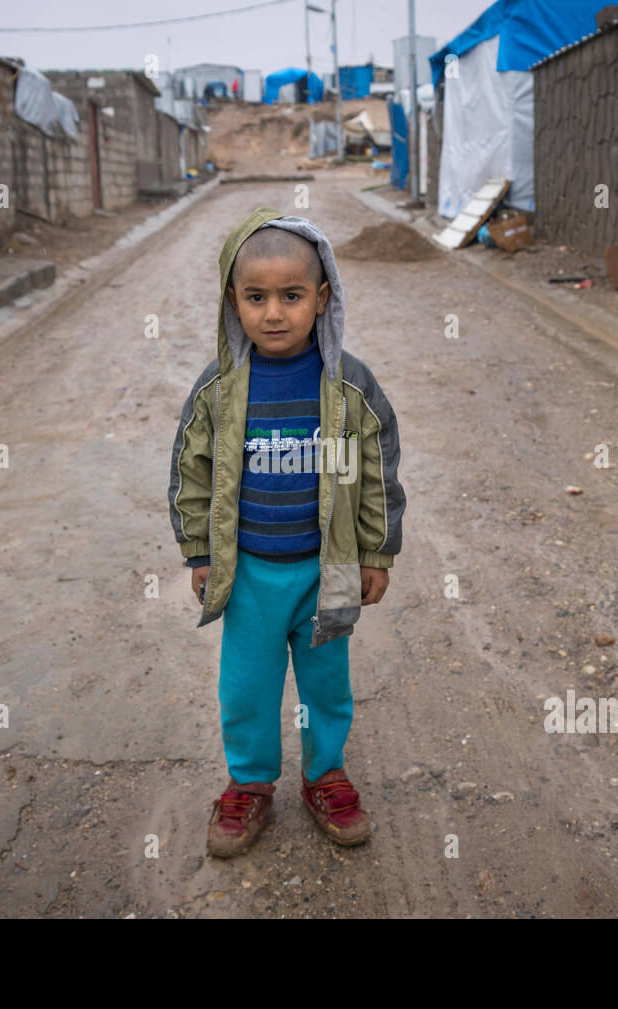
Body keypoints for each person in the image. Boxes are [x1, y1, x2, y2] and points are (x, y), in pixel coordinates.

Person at [168, 207, 405, 857]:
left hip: (326, 571)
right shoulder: (220, 390)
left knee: (327, 680)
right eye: (256, 297)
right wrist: (199, 550)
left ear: (322, 297)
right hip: (249, 575)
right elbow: (192, 472)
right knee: (246, 684)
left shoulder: (345, 386)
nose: (274, 312)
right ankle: (250, 782)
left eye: (292, 296)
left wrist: (375, 551)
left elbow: (377, 470)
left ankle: (324, 772)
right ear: (232, 301)